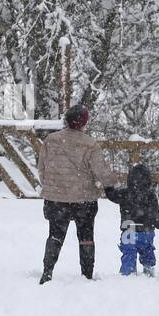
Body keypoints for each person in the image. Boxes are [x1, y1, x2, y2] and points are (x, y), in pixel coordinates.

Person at [37, 104, 117, 283]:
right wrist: (110, 185)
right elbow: (101, 170)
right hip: (84, 199)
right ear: (84, 122)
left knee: (55, 235)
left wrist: (52, 187)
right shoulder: (89, 144)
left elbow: (42, 168)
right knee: (86, 236)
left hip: (56, 198)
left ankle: (47, 271)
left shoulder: (51, 140)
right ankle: (87, 275)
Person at [105, 163, 159, 277]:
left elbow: (112, 196)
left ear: (130, 179)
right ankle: (148, 271)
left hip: (129, 230)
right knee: (147, 251)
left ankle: (128, 273)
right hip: (146, 231)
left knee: (129, 253)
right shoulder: (150, 196)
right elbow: (155, 215)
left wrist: (108, 186)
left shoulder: (125, 193)